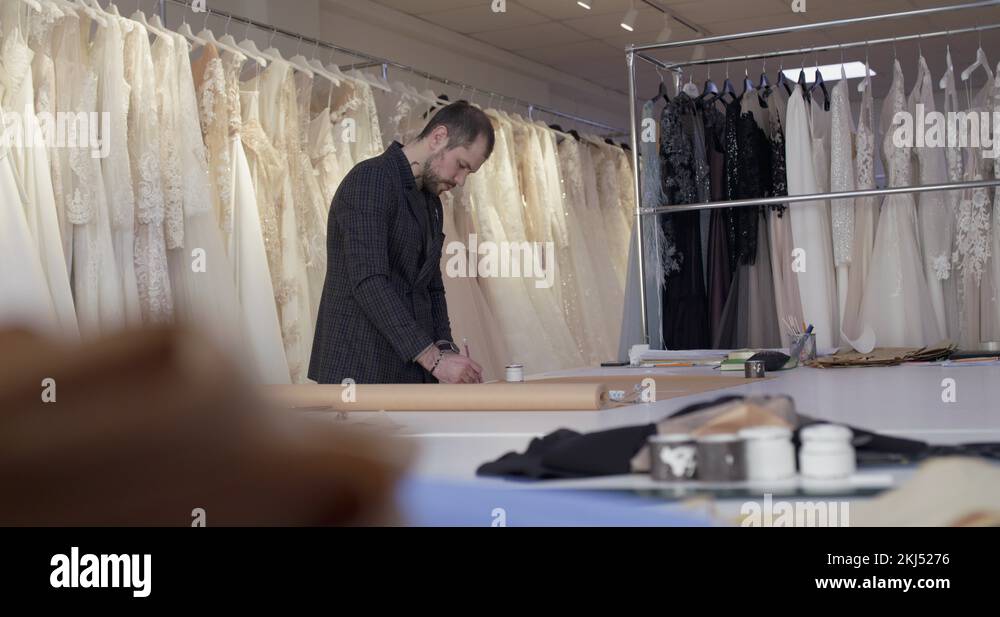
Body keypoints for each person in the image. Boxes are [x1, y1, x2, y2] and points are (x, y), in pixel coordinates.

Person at [309, 101, 494, 384]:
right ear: (438, 137)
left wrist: (445, 347)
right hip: (360, 371)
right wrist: (435, 360)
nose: (461, 181)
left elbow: (432, 286)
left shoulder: (432, 201)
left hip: (410, 371)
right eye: (461, 166)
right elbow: (369, 282)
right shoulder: (369, 180)